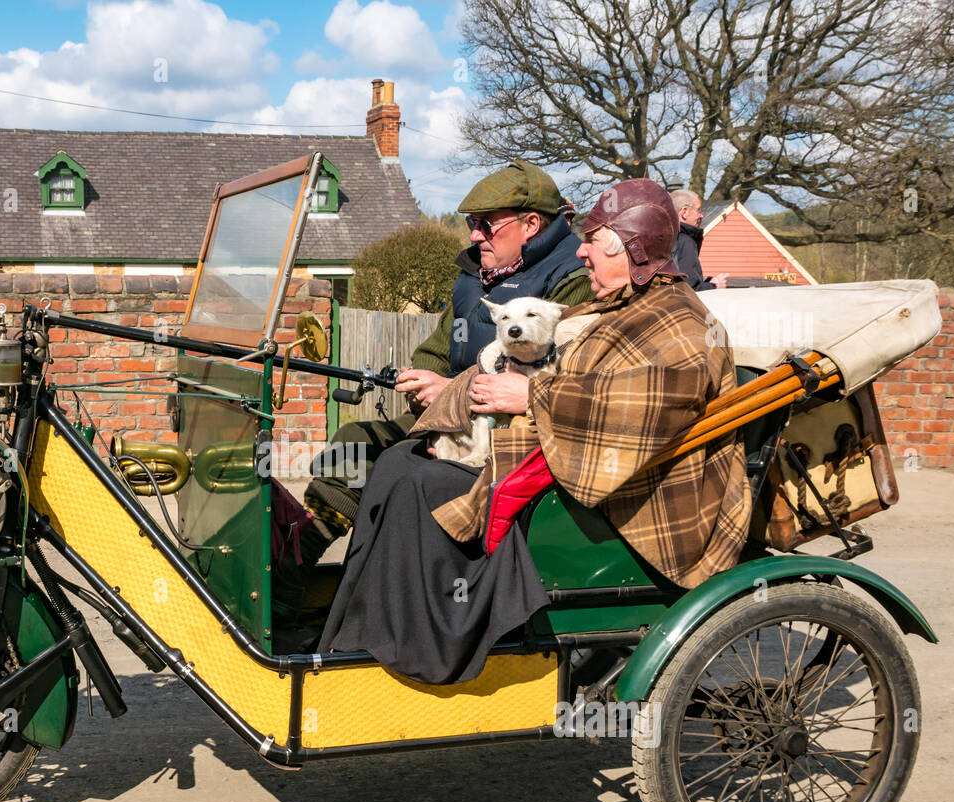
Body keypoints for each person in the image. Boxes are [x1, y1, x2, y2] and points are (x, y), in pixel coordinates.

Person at [316, 179, 750, 683]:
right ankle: (361, 632)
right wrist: (458, 404)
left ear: (631, 249)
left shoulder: (678, 321)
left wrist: (530, 397)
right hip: (552, 454)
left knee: (422, 487)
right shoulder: (616, 303)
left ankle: (424, 644)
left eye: (592, 240)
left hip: (628, 495)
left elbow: (646, 411)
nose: (581, 252)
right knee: (397, 461)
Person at [276, 160, 591, 627]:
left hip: (510, 430)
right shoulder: (474, 277)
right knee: (355, 440)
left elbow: (562, 376)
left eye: (487, 225)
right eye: (471, 225)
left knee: (388, 465)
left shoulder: (572, 280)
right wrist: (421, 380)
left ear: (531, 224)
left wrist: (454, 390)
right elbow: (437, 348)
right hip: (456, 412)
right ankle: (300, 570)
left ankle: (332, 588)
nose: (475, 237)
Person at [669, 189, 727, 291]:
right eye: (698, 210)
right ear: (684, 212)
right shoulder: (684, 241)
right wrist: (715, 285)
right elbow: (689, 290)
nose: (702, 215)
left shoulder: (665, 238)